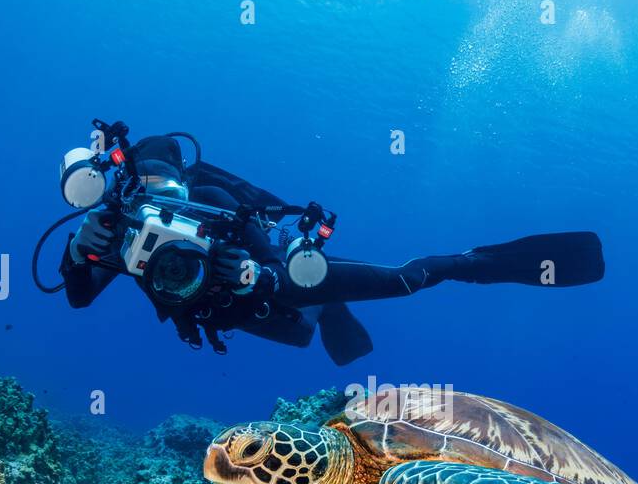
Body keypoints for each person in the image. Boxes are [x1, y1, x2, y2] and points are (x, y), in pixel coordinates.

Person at [59, 135, 605, 365]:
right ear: (128, 187)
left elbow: (274, 263)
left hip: (270, 292)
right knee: (297, 334)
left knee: (403, 280)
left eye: (171, 188)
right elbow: (79, 299)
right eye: (149, 189)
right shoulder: (117, 225)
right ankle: (322, 306)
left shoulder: (219, 205)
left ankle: (476, 262)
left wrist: (259, 275)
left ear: (185, 180)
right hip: (231, 315)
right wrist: (77, 252)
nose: (164, 205)